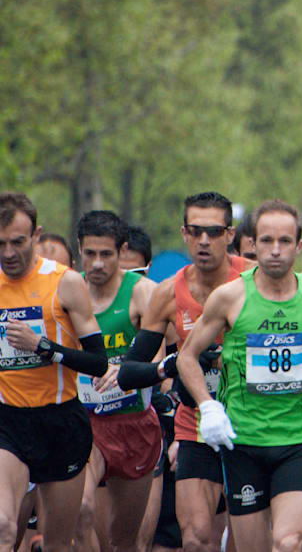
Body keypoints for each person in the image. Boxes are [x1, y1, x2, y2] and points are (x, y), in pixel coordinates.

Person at [174, 199, 302, 552]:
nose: (276, 250)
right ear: (252, 244)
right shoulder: (229, 297)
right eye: (267, 241)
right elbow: (187, 357)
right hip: (244, 442)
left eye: (285, 241)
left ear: (299, 246)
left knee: (289, 542)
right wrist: (208, 406)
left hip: (299, 439)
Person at [117, 192, 248, 552]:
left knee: (248, 541)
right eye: (195, 231)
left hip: (254, 421)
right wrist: (170, 365)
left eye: (214, 232)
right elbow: (129, 373)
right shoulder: (168, 294)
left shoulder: (254, 280)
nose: (204, 240)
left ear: (230, 234)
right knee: (196, 539)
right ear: (184, 233)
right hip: (196, 424)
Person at [0, 192, 108, 552]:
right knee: (3, 526)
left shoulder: (65, 282)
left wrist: (43, 347)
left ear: (36, 235)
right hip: (8, 421)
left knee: (59, 542)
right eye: (0, 244)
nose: (9, 253)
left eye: (18, 242)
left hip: (61, 421)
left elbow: (98, 362)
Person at [74, 211, 160, 552]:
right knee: (81, 510)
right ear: (79, 249)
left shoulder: (143, 293)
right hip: (85, 422)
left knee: (124, 540)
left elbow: (159, 356)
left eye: (106, 254)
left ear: (122, 251)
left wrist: (126, 368)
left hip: (133, 423)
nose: (97, 263)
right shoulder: (69, 289)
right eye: (90, 253)